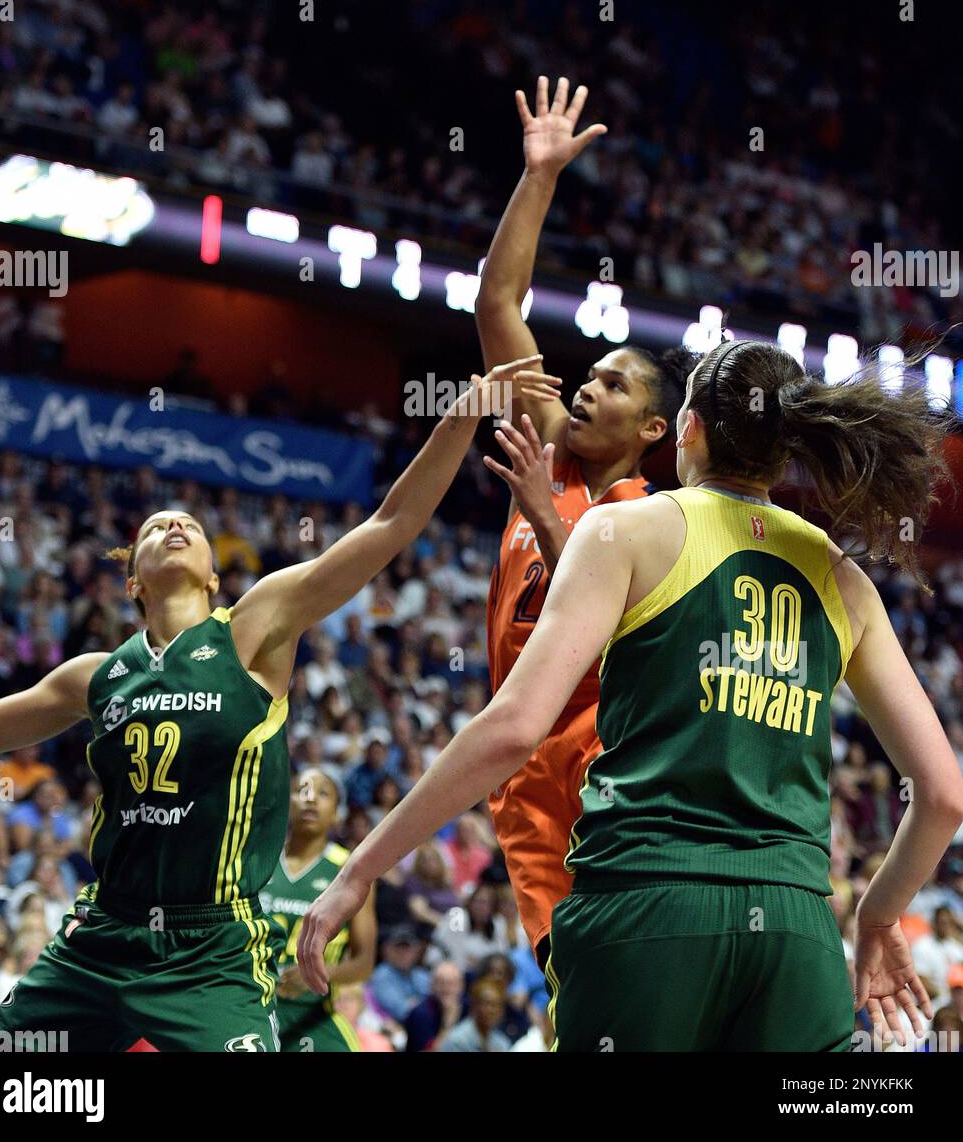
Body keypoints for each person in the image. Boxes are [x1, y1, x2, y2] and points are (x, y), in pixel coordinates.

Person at [299, 339, 963, 1052]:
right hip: (795, 932)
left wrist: (361, 867)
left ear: (687, 430)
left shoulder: (624, 530)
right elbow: (944, 794)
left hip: (647, 911)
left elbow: (514, 729)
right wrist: (879, 915)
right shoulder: (844, 579)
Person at [0, 357, 536, 1052]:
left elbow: (391, 523)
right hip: (102, 938)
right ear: (134, 581)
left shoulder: (253, 630)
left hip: (211, 948)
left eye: (188, 527)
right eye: (153, 529)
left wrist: (460, 415)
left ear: (214, 573)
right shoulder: (93, 676)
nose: (171, 526)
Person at [475, 75, 694, 965]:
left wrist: (542, 514)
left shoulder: (654, 514)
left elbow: (621, 630)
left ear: (652, 429)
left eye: (613, 383)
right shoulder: (552, 452)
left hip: (607, 757)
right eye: (588, 375)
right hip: (521, 761)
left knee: (625, 979)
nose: (586, 385)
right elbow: (497, 304)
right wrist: (541, 177)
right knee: (570, 985)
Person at [260, 767, 375, 1053]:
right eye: (301, 791)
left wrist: (320, 972)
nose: (310, 799)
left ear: (337, 813)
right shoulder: (259, 859)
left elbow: (364, 963)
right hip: (250, 1003)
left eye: (323, 793)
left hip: (311, 1012)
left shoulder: (350, 870)